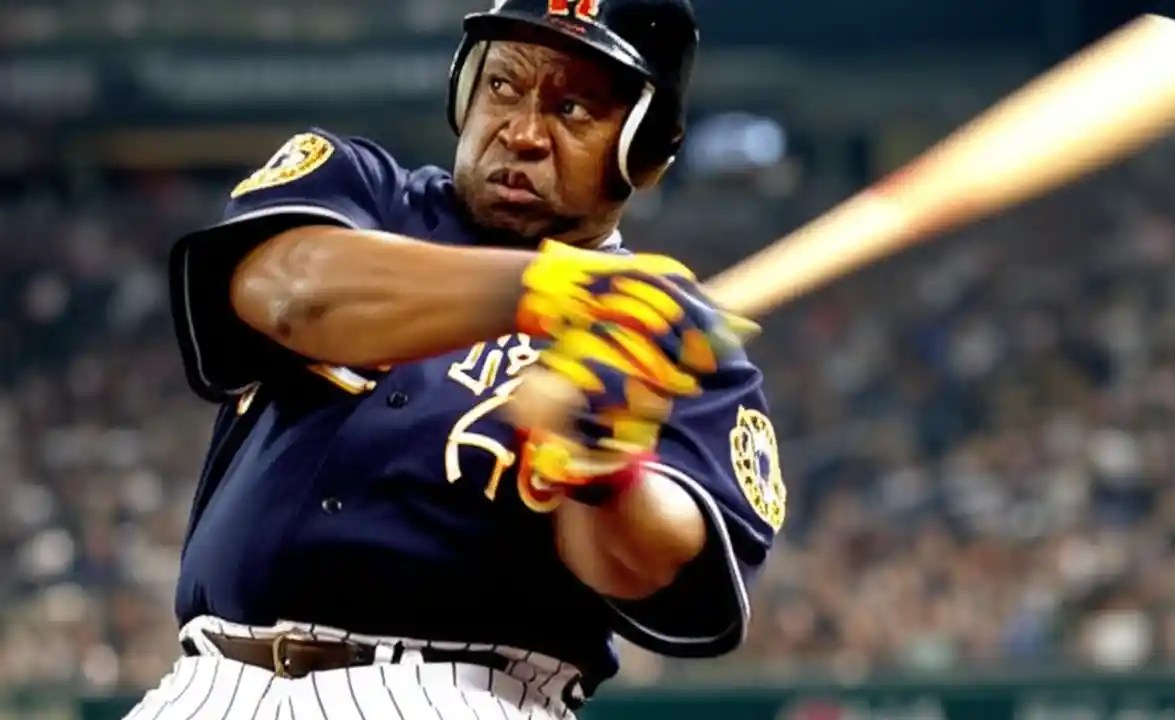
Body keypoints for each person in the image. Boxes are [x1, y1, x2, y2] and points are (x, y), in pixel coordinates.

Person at [126, 0, 785, 717]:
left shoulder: (665, 336)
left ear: (647, 148)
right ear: (463, 89)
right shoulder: (359, 192)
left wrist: (602, 470)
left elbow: (651, 568)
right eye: (502, 86)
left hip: (460, 693)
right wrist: (543, 289)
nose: (524, 132)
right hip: (207, 684)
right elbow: (293, 295)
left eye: (572, 108)